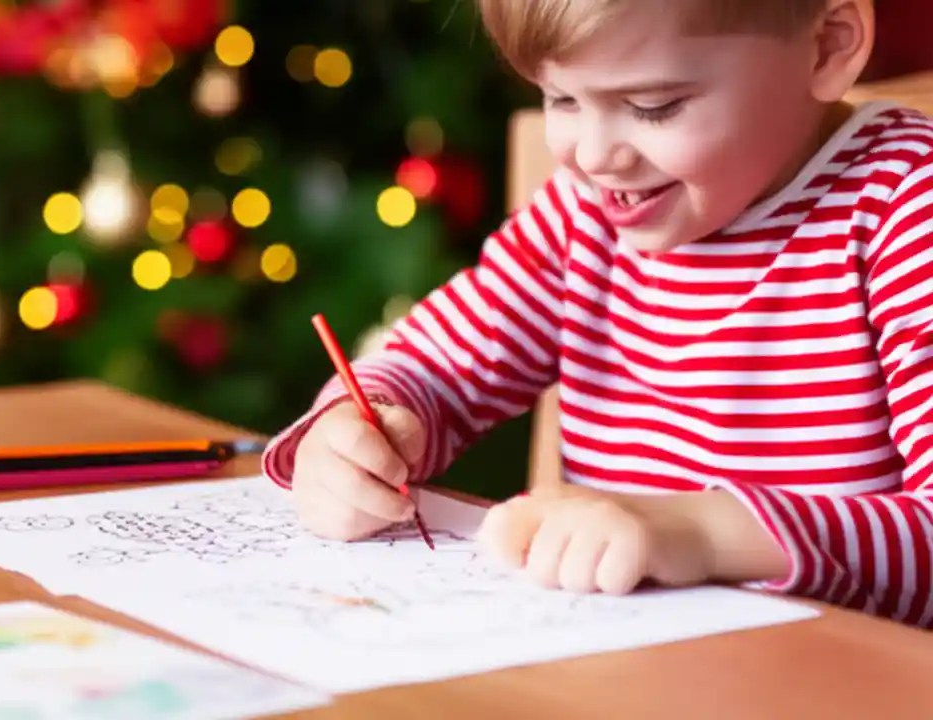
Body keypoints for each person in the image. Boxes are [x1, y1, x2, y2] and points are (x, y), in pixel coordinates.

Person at [260, 0, 933, 628]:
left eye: (653, 106)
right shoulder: (583, 216)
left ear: (827, 46)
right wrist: (356, 433)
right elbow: (435, 367)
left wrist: (698, 535)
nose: (592, 155)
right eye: (561, 98)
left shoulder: (906, 207)